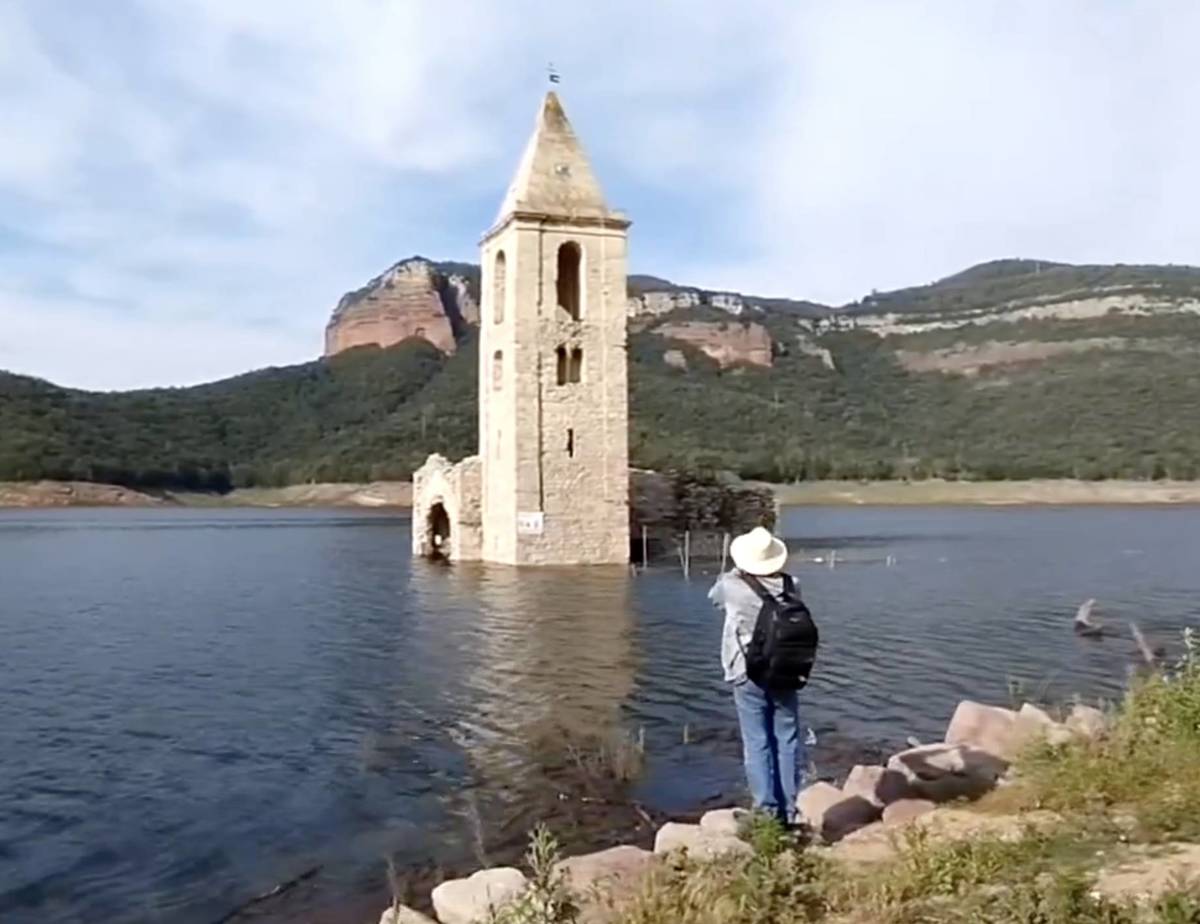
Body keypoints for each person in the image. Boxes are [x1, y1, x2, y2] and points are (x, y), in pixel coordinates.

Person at [709, 525, 815, 824]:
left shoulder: (731, 586)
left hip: (746, 672)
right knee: (788, 739)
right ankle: (790, 812)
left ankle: (767, 811)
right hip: (786, 670)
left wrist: (735, 571)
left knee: (757, 742)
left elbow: (714, 598)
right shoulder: (793, 584)